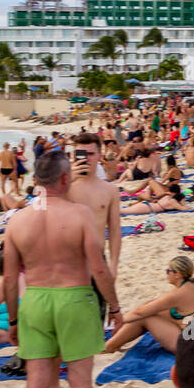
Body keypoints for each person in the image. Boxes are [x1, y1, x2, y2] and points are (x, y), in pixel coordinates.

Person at [2, 151, 122, 388]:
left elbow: (10, 279)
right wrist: (115, 306)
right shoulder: (80, 214)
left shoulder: (17, 220)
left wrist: (13, 319)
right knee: (81, 385)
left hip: (36, 301)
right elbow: (98, 267)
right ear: (65, 179)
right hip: (75, 298)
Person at [68, 132, 122, 318]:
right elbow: (40, 208)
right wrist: (68, 180)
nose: (86, 159)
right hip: (67, 261)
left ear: (100, 156)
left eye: (90, 154)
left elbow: (115, 231)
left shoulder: (110, 190)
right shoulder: (62, 187)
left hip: (97, 262)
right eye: (80, 155)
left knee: (95, 322)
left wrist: (114, 265)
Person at [104, 257, 194, 354]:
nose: (166, 274)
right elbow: (152, 306)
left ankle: (110, 346)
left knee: (145, 317)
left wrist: (119, 321)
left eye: (168, 271)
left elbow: (140, 313)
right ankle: (115, 342)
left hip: (191, 344)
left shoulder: (179, 294)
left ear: (178, 274)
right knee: (150, 308)